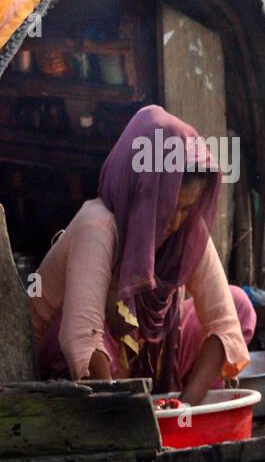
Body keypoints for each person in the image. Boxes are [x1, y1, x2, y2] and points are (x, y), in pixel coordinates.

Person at [30, 105, 253, 404]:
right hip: (81, 373)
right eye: (166, 207)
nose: (174, 223)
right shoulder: (97, 224)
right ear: (140, 191)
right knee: (75, 338)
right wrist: (129, 422)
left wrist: (182, 410)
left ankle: (175, 411)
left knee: (239, 303)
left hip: (149, 365)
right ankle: (121, 417)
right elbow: (81, 338)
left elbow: (222, 322)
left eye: (186, 209)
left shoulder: (187, 233)